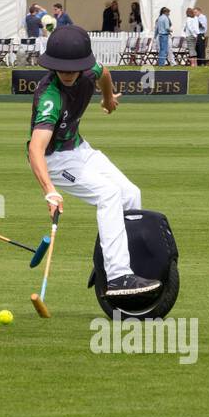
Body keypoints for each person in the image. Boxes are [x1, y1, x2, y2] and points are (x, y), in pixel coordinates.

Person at [27, 25, 158, 297]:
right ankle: (118, 276)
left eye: (71, 69)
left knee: (132, 195)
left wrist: (108, 99)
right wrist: (50, 192)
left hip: (80, 149)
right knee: (108, 195)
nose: (66, 74)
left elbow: (105, 73)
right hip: (56, 161)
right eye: (60, 68)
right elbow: (35, 150)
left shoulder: (90, 71)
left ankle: (114, 261)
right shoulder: (49, 97)